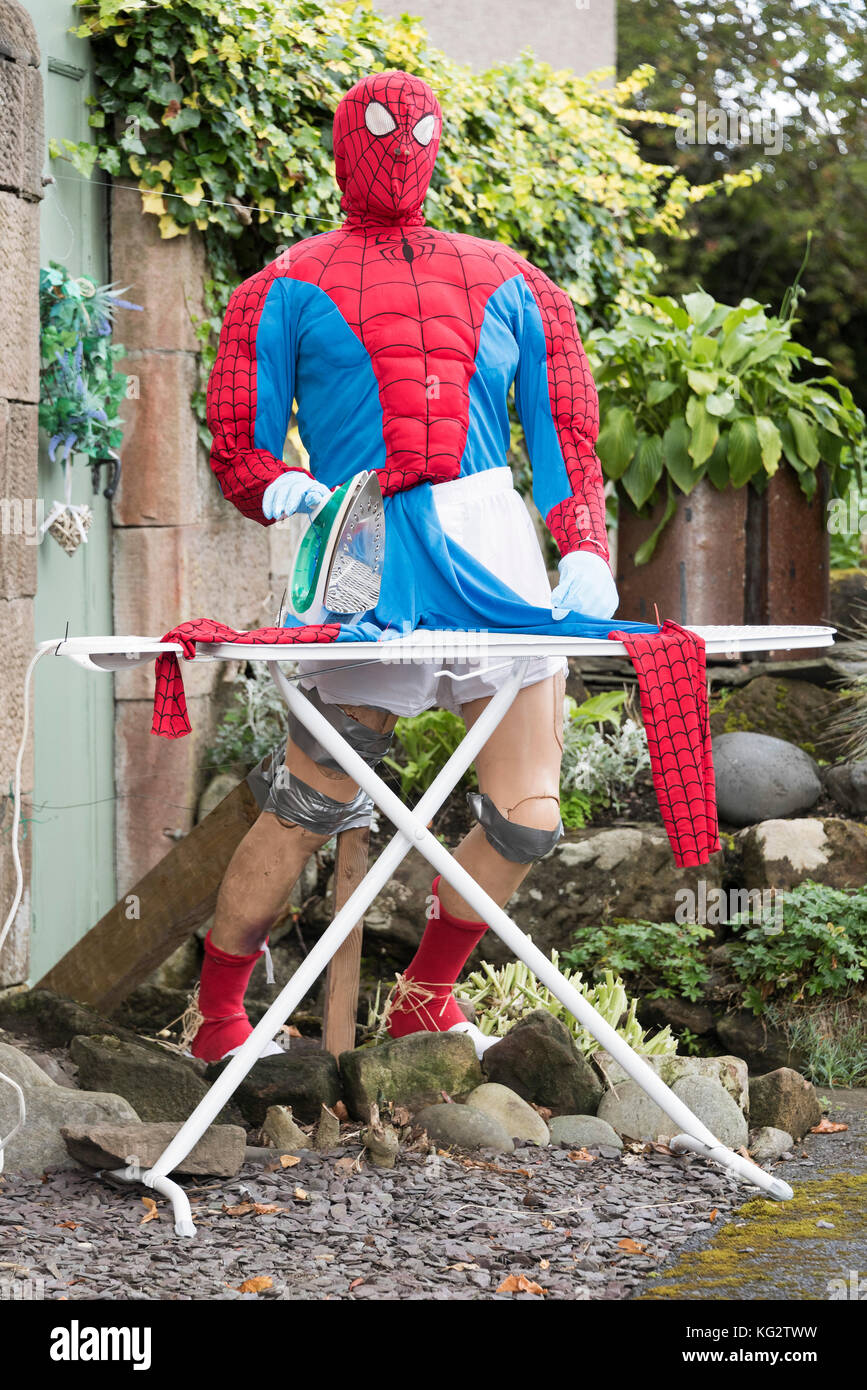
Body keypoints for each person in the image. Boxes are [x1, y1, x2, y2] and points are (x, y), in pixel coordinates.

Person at [188, 70, 621, 1064]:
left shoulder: (518, 283)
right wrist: (286, 489)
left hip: (495, 551)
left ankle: (426, 993)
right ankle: (215, 1017)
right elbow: (239, 446)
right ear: (346, 141)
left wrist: (585, 546)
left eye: (417, 127)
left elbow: (565, 441)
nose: (401, 143)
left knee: (530, 816)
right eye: (381, 128)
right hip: (363, 548)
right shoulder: (280, 286)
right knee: (310, 804)